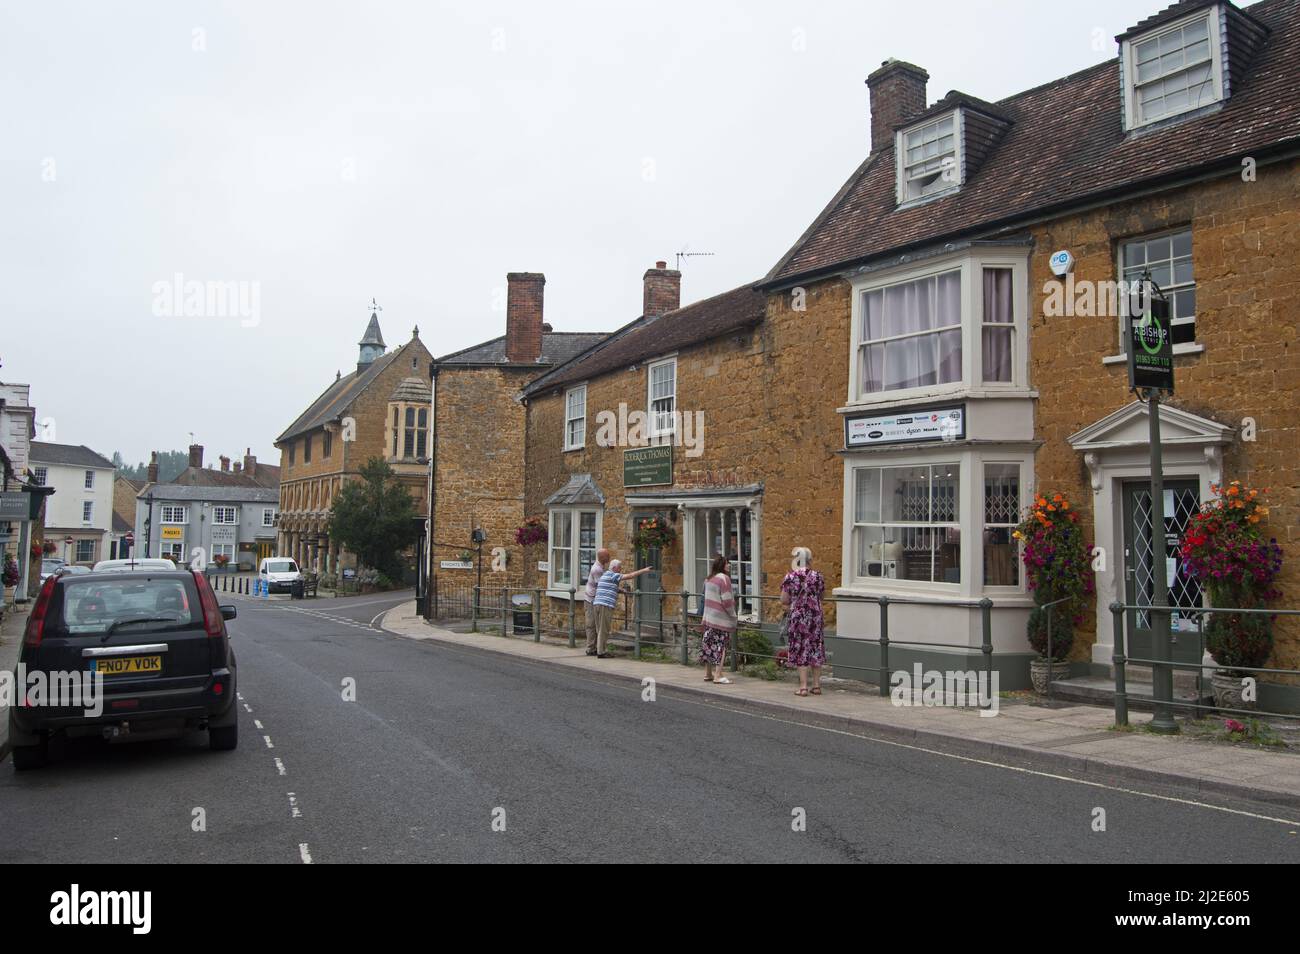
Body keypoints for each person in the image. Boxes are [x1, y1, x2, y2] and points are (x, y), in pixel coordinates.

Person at [782, 547, 826, 697]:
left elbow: (784, 599)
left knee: (801, 648)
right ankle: (817, 686)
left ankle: (803, 687)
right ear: (810, 560)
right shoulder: (818, 576)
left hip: (799, 617)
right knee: (815, 647)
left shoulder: (790, 577)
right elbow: (822, 596)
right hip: (815, 616)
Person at [592, 558, 651, 658]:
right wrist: (644, 570)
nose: (620, 570)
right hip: (604, 605)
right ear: (614, 568)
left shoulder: (605, 575)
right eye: (619, 568)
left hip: (597, 604)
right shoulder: (613, 575)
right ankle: (601, 652)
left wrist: (621, 590)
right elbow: (630, 576)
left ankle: (601, 649)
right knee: (604, 629)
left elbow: (609, 586)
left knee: (600, 629)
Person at [700, 555, 737, 684]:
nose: (729, 565)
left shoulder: (708, 579)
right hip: (721, 619)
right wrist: (733, 615)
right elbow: (727, 600)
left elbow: (703, 599)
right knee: (721, 646)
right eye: (728, 563)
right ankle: (718, 675)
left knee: (708, 645)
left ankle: (708, 674)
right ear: (722, 565)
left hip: (709, 617)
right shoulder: (724, 579)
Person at [584, 547, 611, 656]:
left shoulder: (601, 567)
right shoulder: (597, 569)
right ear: (602, 557)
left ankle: (594, 647)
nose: (609, 557)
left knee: (596, 625)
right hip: (591, 599)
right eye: (607, 556)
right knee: (591, 624)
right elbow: (602, 586)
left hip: (595, 599)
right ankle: (590, 648)